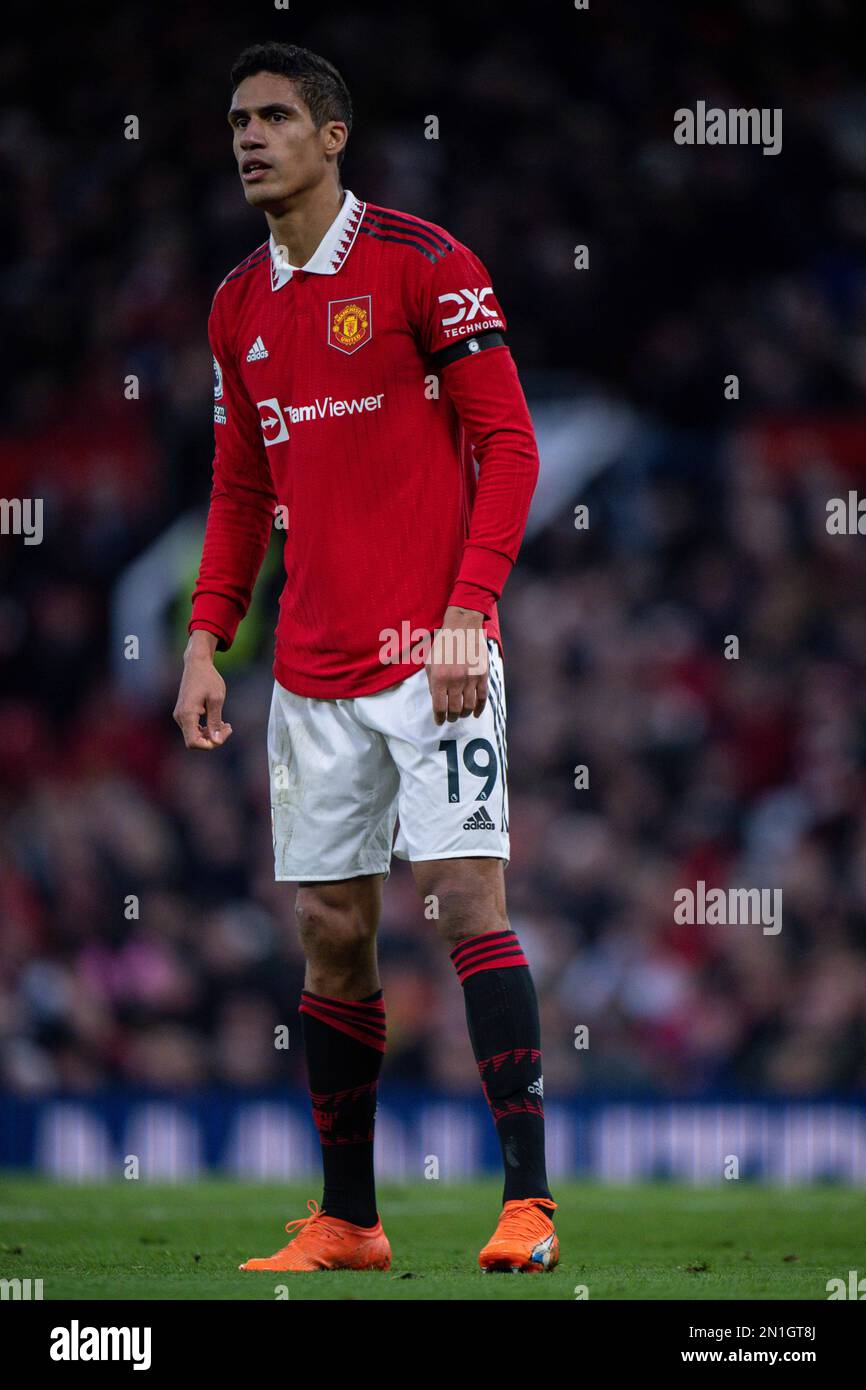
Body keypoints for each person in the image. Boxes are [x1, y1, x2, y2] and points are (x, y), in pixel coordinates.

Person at [173, 41, 557, 1274]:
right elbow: (239, 488)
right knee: (333, 930)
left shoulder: (420, 264)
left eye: (277, 117)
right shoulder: (237, 305)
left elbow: (510, 444)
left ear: (332, 135)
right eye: (239, 119)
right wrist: (202, 638)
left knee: (460, 895)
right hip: (312, 669)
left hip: (433, 650)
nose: (250, 137)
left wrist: (468, 608)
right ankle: (348, 1219)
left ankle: (527, 1205)